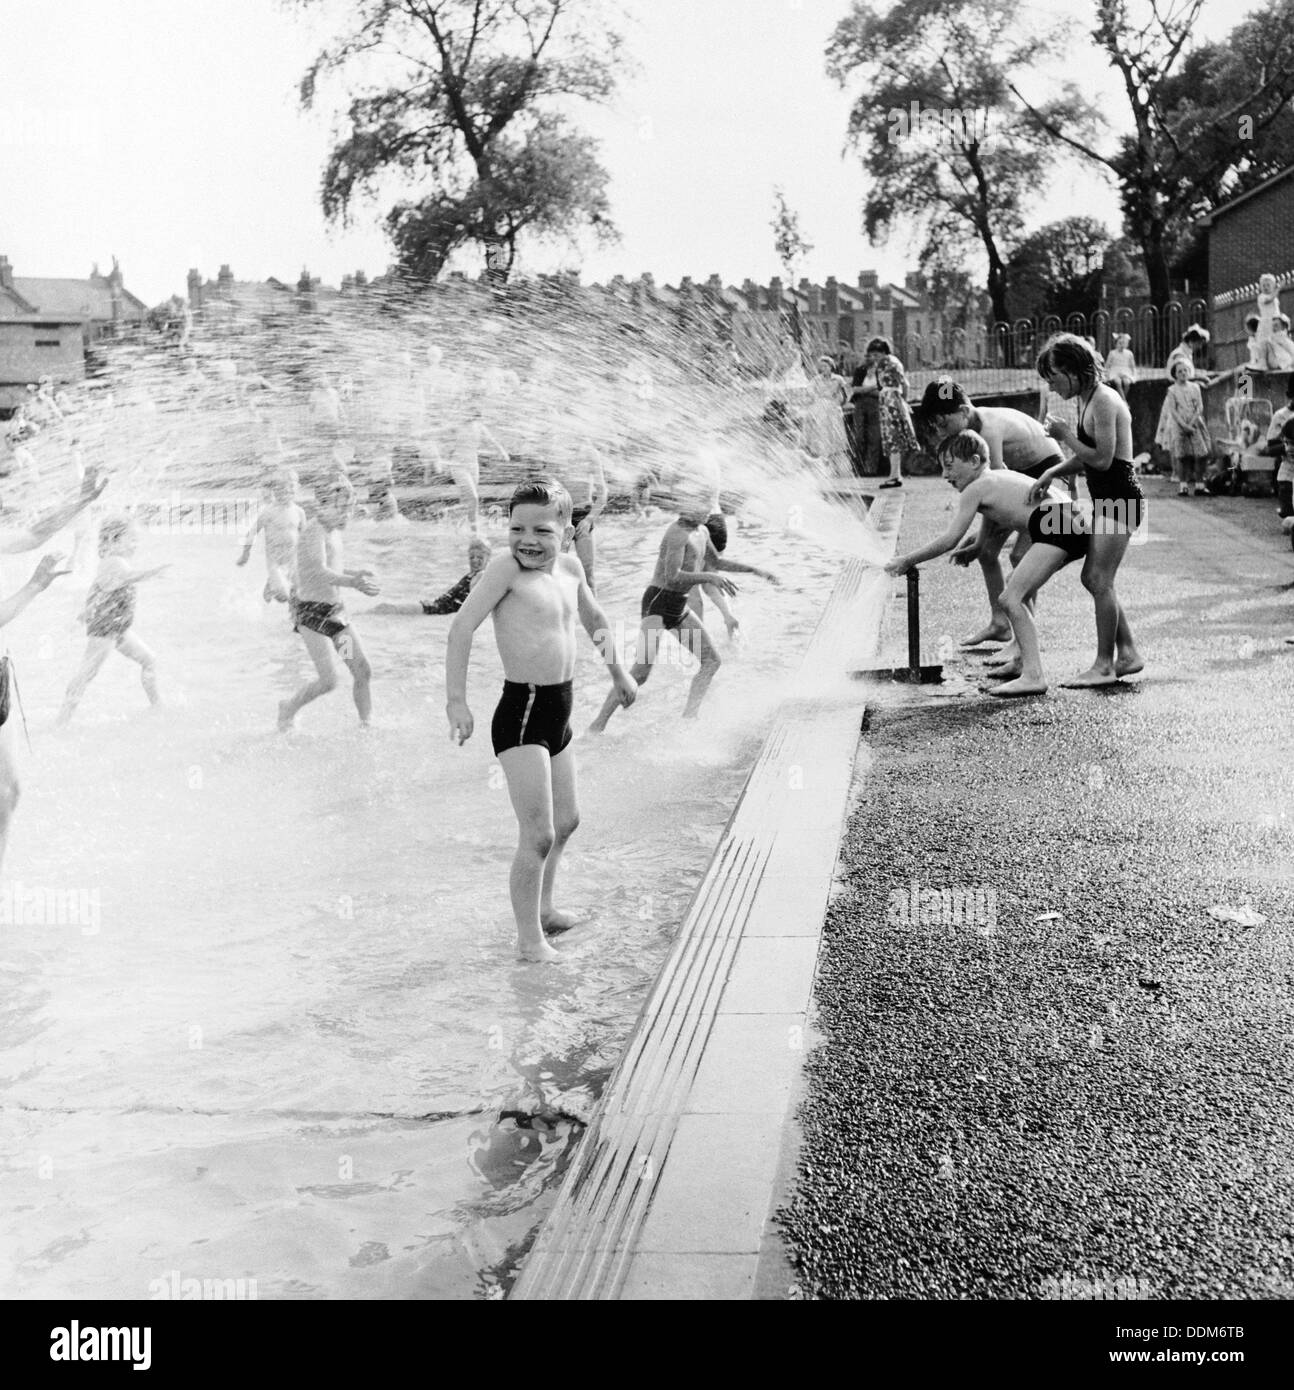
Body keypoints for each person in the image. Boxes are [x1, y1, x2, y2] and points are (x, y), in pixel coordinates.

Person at [445, 478, 636, 964]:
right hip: (523, 713)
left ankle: (546, 909)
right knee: (538, 834)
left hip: (560, 711)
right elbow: (461, 627)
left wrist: (619, 675)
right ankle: (529, 941)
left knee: (567, 821)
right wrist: (456, 702)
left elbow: (596, 622)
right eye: (516, 528)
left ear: (568, 531)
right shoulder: (505, 570)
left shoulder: (571, 569)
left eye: (542, 530)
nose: (527, 539)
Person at [885, 430, 1087, 697]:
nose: (945, 476)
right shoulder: (995, 478)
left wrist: (906, 560)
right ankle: (1020, 661)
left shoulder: (975, 488)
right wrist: (980, 545)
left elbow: (950, 539)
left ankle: (1034, 676)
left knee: (1010, 599)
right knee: (1020, 593)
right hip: (1071, 519)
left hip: (1055, 523)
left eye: (950, 466)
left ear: (974, 460)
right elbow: (993, 519)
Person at [1029, 334, 1144, 688]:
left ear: (1075, 371)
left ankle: (1105, 665)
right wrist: (1052, 472)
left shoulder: (1105, 401)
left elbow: (1103, 459)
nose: (1051, 386)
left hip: (1120, 497)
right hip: (1108, 497)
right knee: (1095, 579)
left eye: (1054, 377)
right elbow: (1086, 457)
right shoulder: (1089, 398)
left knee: (1098, 579)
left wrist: (1064, 434)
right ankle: (1127, 654)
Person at [916, 379, 1067, 648]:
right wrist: (981, 541)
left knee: (1020, 556)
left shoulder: (988, 431)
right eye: (935, 427)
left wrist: (981, 536)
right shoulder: (969, 434)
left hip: (1045, 473)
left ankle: (1022, 643)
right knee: (986, 553)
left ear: (963, 412)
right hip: (1020, 478)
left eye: (943, 424)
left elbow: (996, 491)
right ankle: (1000, 624)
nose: (941, 432)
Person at [588, 485, 740, 734]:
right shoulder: (677, 533)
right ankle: (597, 726)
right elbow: (673, 576)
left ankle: (689, 719)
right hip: (657, 605)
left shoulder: (702, 530)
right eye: (701, 506)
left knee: (711, 661)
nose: (707, 511)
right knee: (639, 674)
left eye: (708, 505)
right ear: (685, 505)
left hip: (678, 608)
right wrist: (710, 578)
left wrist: (756, 571)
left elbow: (718, 562)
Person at [277, 476, 379, 730]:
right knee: (329, 680)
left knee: (361, 670)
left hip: (335, 617)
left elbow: (335, 567)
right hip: (313, 617)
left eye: (348, 507)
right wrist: (353, 582)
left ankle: (366, 725)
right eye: (340, 506)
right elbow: (318, 572)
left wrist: (356, 572)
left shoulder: (332, 531)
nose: (346, 512)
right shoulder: (314, 532)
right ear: (323, 505)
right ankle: (288, 707)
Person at [57, 517, 167, 726]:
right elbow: (128, 577)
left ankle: (157, 705)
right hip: (105, 630)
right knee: (86, 675)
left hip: (119, 629)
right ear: (113, 540)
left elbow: (100, 594)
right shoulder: (113, 562)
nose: (136, 545)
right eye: (131, 539)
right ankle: (61, 721)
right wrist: (153, 572)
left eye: (137, 540)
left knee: (149, 660)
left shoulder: (115, 562)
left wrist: (83, 614)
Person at [369, 537, 492, 614]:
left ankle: (357, 617)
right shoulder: (474, 574)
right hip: (433, 606)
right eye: (472, 557)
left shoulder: (481, 575)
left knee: (386, 608)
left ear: (488, 558)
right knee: (385, 608)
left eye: (480, 557)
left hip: (434, 610)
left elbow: (475, 605)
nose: (475, 560)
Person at [236, 470, 305, 601]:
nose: (286, 490)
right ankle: (272, 584)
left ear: (298, 489)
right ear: (274, 490)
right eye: (281, 487)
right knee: (283, 596)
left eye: (291, 486)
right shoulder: (268, 512)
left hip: (293, 560)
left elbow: (305, 537)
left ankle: (297, 618)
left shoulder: (299, 512)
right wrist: (245, 554)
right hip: (275, 562)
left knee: (299, 594)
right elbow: (251, 533)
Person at [443, 403, 510, 532]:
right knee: (473, 497)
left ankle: (457, 523)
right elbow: (440, 431)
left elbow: (492, 441)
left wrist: (502, 451)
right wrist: (421, 434)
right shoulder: (458, 425)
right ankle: (475, 531)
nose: (466, 413)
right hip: (458, 466)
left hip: (473, 466)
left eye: (470, 411)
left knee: (467, 501)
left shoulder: (479, 427)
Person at [1155, 326, 1212, 476]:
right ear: (1192, 341)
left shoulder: (1186, 353)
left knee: (1185, 438)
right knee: (1174, 435)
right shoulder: (1179, 354)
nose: (1200, 347)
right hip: (1177, 398)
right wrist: (1198, 378)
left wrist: (1199, 377)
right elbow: (1179, 375)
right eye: (1199, 343)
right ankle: (1176, 473)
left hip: (1188, 398)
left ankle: (1183, 474)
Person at [1162, 359, 1212, 497]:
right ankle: (1183, 486)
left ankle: (1200, 485)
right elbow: (1173, 410)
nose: (1183, 373)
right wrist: (1184, 425)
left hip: (1195, 423)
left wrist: (1192, 422)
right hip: (1179, 425)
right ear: (1175, 375)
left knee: (1201, 454)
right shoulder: (1172, 390)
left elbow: (1199, 407)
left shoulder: (1195, 387)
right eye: (1180, 371)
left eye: (1185, 370)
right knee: (1182, 456)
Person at [803, 355, 850, 472]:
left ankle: (836, 465)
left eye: (826, 366)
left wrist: (839, 402)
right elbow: (810, 391)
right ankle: (822, 462)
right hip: (820, 408)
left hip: (833, 408)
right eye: (821, 367)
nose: (823, 369)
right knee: (821, 434)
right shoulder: (816, 380)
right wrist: (818, 397)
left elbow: (845, 394)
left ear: (831, 366)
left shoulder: (838, 379)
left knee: (834, 436)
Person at [1104, 335, 1136, 400]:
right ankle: (1124, 401)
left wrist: (1133, 375)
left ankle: (1122, 399)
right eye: (1119, 343)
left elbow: (1132, 366)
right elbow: (1107, 365)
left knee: (1127, 383)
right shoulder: (1112, 353)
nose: (1121, 345)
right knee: (1118, 382)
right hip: (1115, 372)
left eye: (1123, 343)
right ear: (1116, 344)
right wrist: (1106, 374)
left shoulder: (1129, 353)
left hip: (1125, 372)